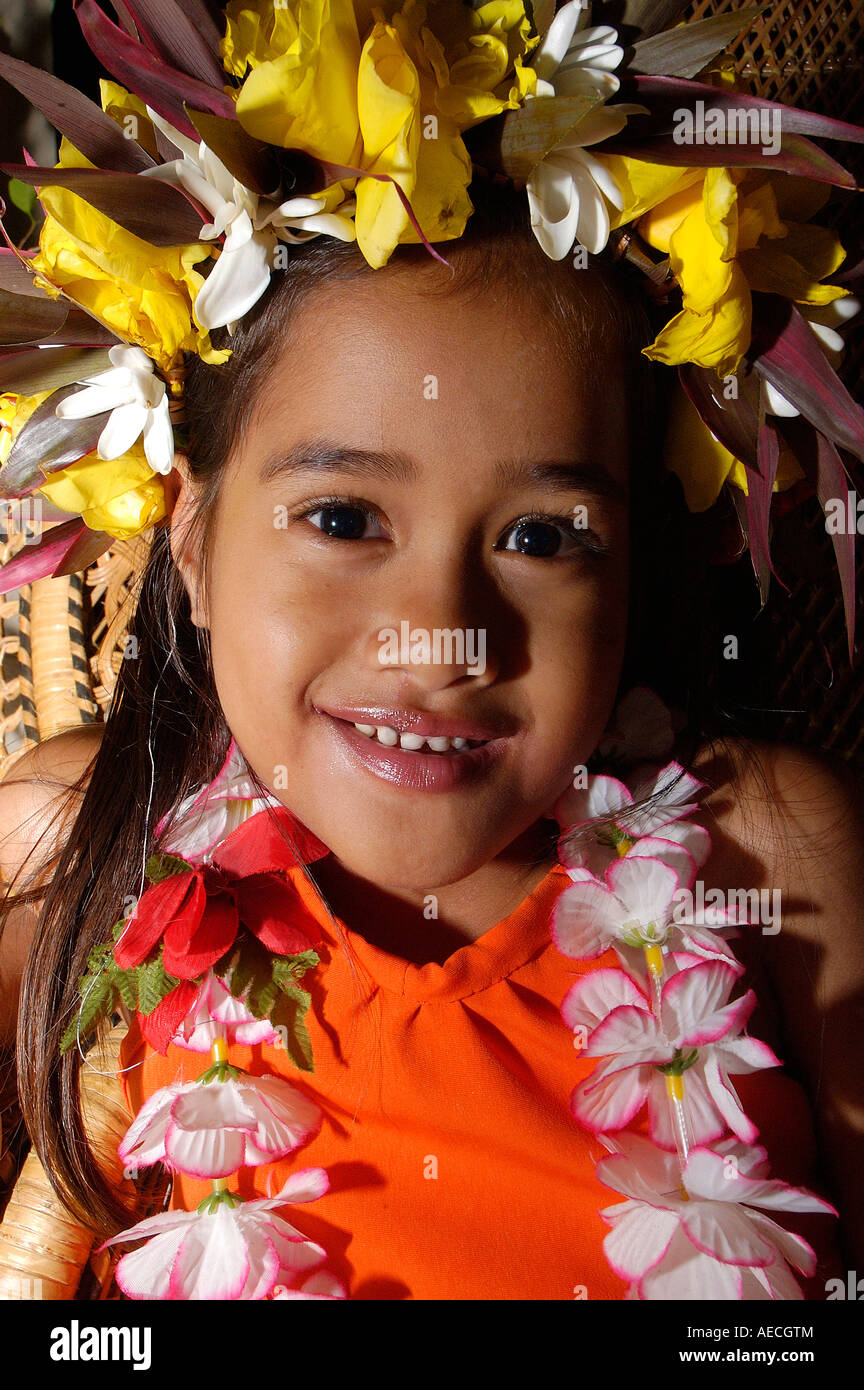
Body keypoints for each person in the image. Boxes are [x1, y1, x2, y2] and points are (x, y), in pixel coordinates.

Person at [0, 0, 862, 1301]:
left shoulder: (770, 852)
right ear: (190, 538)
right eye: (344, 518)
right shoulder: (85, 830)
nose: (440, 629)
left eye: (542, 535)